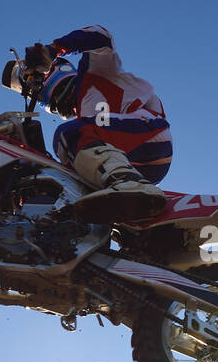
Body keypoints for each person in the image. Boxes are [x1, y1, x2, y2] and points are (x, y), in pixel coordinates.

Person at [11, 25, 171, 223]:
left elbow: (102, 38)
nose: (47, 102)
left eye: (43, 92)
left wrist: (53, 49)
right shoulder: (85, 120)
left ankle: (129, 183)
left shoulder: (94, 73)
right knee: (65, 168)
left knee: (69, 136)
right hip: (138, 161)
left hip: (147, 133)